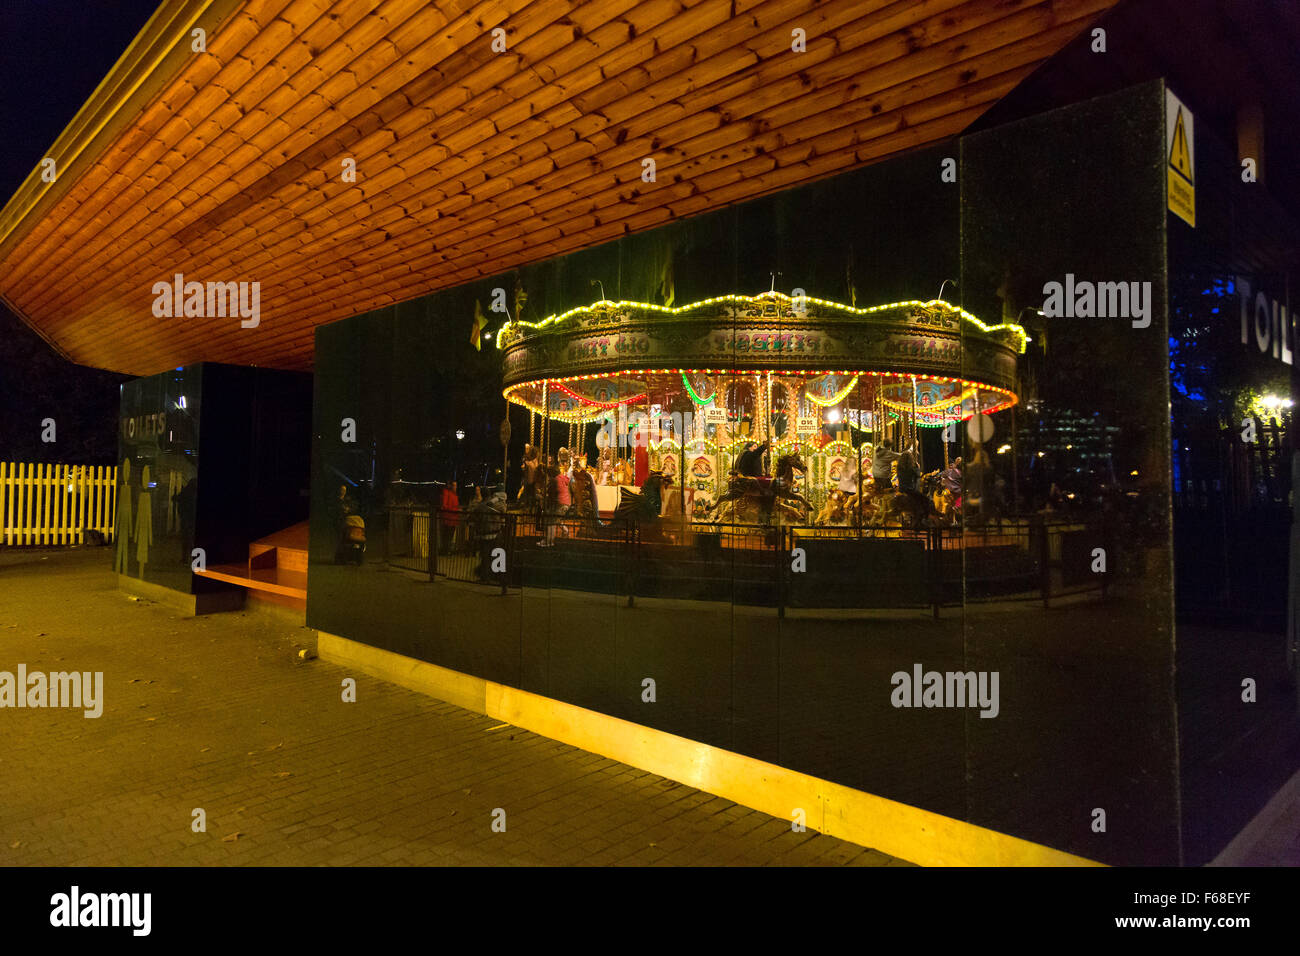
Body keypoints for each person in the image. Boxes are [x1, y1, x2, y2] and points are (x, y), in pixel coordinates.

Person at [439, 480, 460, 553]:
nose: (455, 487)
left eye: (456, 485)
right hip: (449, 518)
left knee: (449, 535)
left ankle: (446, 550)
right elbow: (445, 505)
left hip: (452, 519)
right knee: (447, 535)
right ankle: (446, 550)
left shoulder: (454, 495)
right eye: (454, 485)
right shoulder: (447, 493)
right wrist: (455, 510)